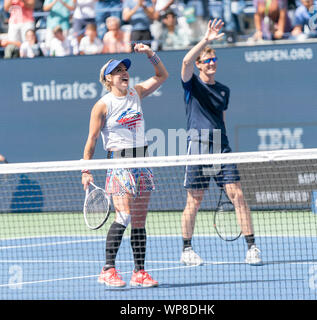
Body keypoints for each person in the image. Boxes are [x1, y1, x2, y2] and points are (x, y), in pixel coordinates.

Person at [81, 43, 168, 287]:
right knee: (124, 216)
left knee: (139, 220)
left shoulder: (136, 93)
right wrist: (86, 170)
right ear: (108, 79)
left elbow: (162, 75)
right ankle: (108, 269)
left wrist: (150, 54)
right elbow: (92, 139)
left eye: (124, 69)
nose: (123, 73)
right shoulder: (103, 105)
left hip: (142, 161)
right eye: (117, 70)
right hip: (119, 163)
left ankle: (139, 272)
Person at [180, 19, 262, 266]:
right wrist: (205, 39)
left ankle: (252, 247)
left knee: (237, 195)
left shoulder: (224, 90)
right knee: (194, 201)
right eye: (207, 60)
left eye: (214, 59)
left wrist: (223, 144)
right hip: (198, 147)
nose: (212, 63)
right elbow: (184, 62)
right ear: (199, 65)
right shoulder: (191, 85)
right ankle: (186, 250)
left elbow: (221, 118)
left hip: (221, 148)